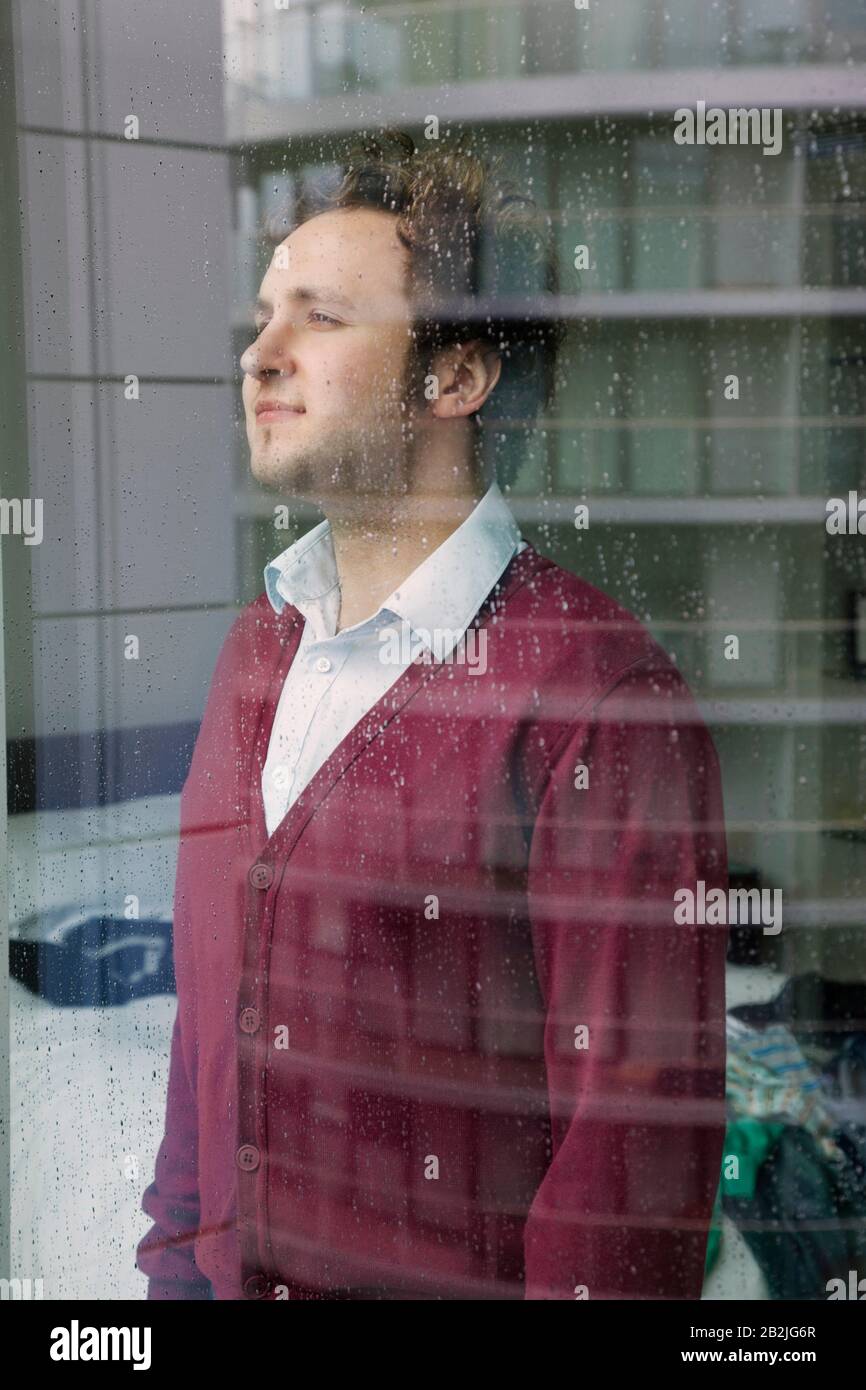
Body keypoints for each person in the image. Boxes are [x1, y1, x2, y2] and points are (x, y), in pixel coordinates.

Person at [137, 129, 728, 1300]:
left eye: (321, 316)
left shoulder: (596, 702)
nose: (260, 355)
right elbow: (204, 1039)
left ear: (455, 378)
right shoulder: (256, 649)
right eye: (264, 315)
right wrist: (170, 1281)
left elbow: (626, 1167)